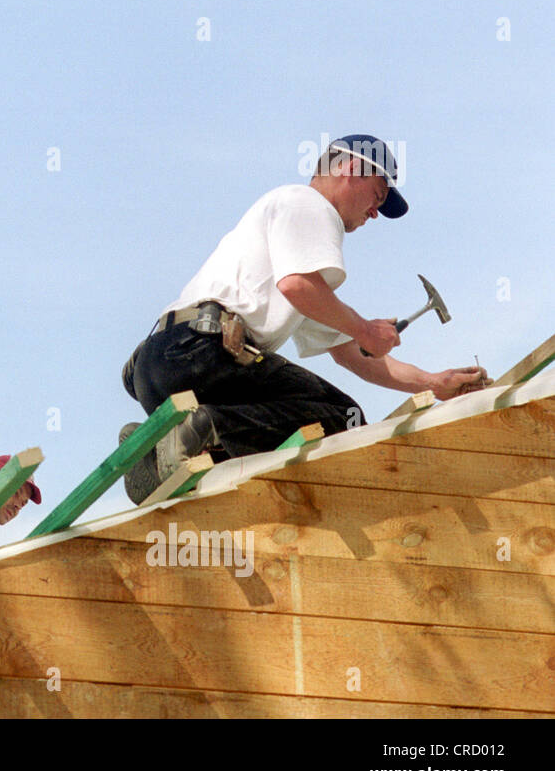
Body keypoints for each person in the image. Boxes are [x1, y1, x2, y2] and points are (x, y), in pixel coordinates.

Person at [121, 134, 490, 503]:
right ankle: (203, 429)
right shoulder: (309, 205)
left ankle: (160, 454)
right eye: (377, 196)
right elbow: (297, 285)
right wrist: (364, 328)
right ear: (351, 168)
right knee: (343, 416)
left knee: (312, 423)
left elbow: (353, 356)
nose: (375, 213)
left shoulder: (289, 247)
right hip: (202, 356)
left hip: (158, 366)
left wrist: (434, 383)